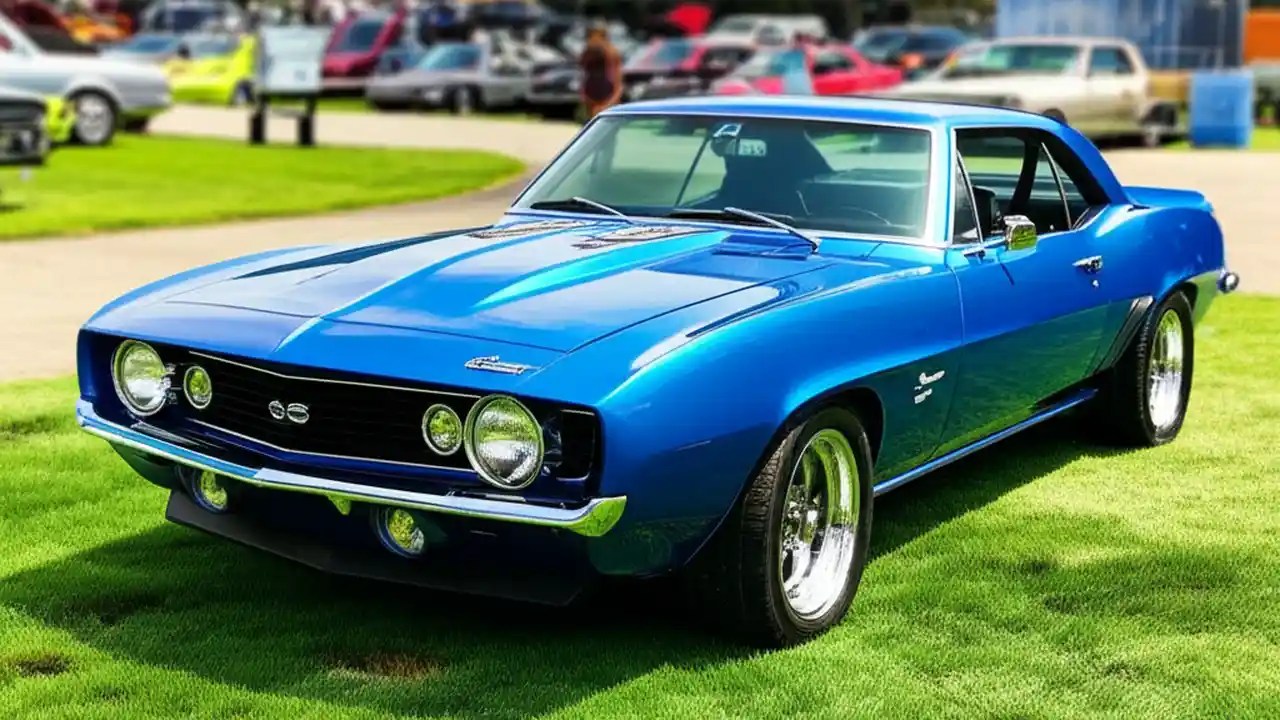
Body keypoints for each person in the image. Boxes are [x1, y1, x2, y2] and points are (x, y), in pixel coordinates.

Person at [578, 23, 623, 121]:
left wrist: (609, 103)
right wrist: (585, 97)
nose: (594, 41)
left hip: (606, 97)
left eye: (597, 37)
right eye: (591, 37)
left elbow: (618, 82)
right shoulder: (588, 53)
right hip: (592, 98)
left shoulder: (611, 53)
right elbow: (583, 75)